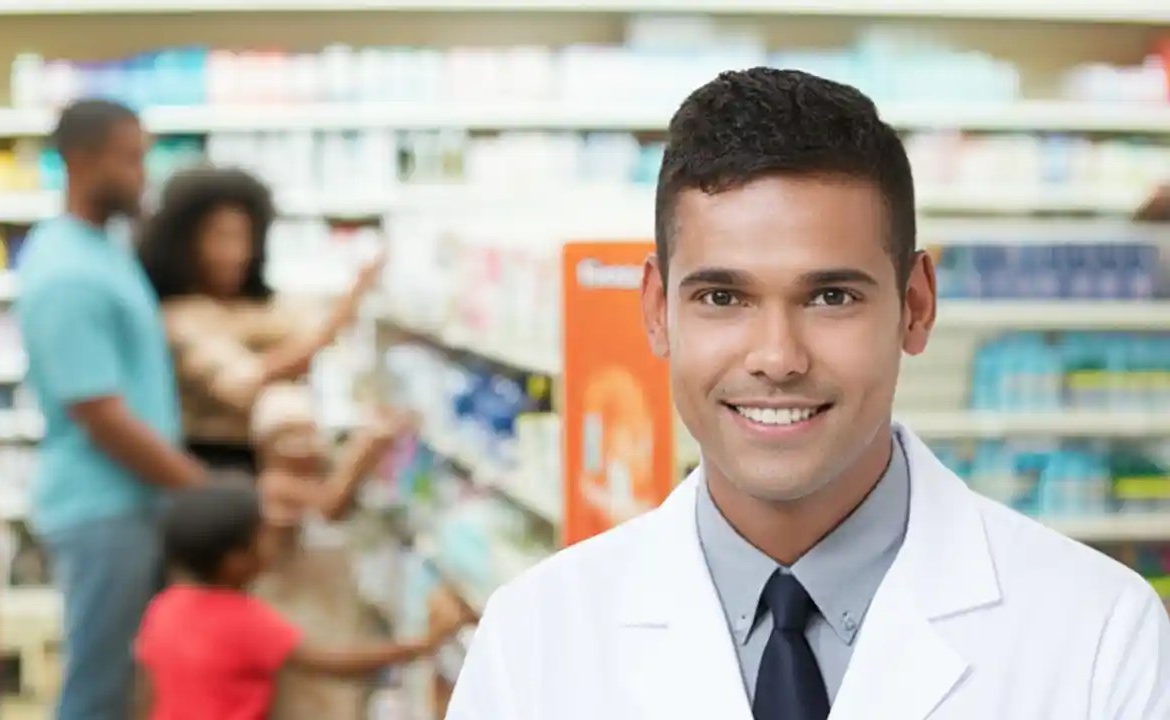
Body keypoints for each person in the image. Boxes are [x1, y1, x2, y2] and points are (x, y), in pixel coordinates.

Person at [446, 68, 1170, 719]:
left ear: (915, 306)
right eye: (723, 297)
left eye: (829, 296)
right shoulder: (533, 644)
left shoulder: (1100, 637)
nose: (777, 357)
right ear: (656, 312)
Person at [16, 99, 208, 720]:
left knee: (130, 686)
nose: (141, 174)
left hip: (133, 504)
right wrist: (203, 490)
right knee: (98, 688)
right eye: (130, 160)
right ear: (81, 160)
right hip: (102, 510)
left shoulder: (102, 247)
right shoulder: (66, 270)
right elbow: (100, 415)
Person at [135, 482, 469, 720]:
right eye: (262, 534)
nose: (273, 537)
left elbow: (148, 690)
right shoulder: (243, 619)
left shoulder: (166, 605)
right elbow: (330, 663)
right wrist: (420, 646)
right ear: (236, 560)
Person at [138, 167, 385, 476]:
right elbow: (243, 382)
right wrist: (337, 320)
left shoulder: (263, 307)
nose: (235, 253)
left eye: (244, 237)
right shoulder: (180, 317)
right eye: (220, 237)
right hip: (216, 467)